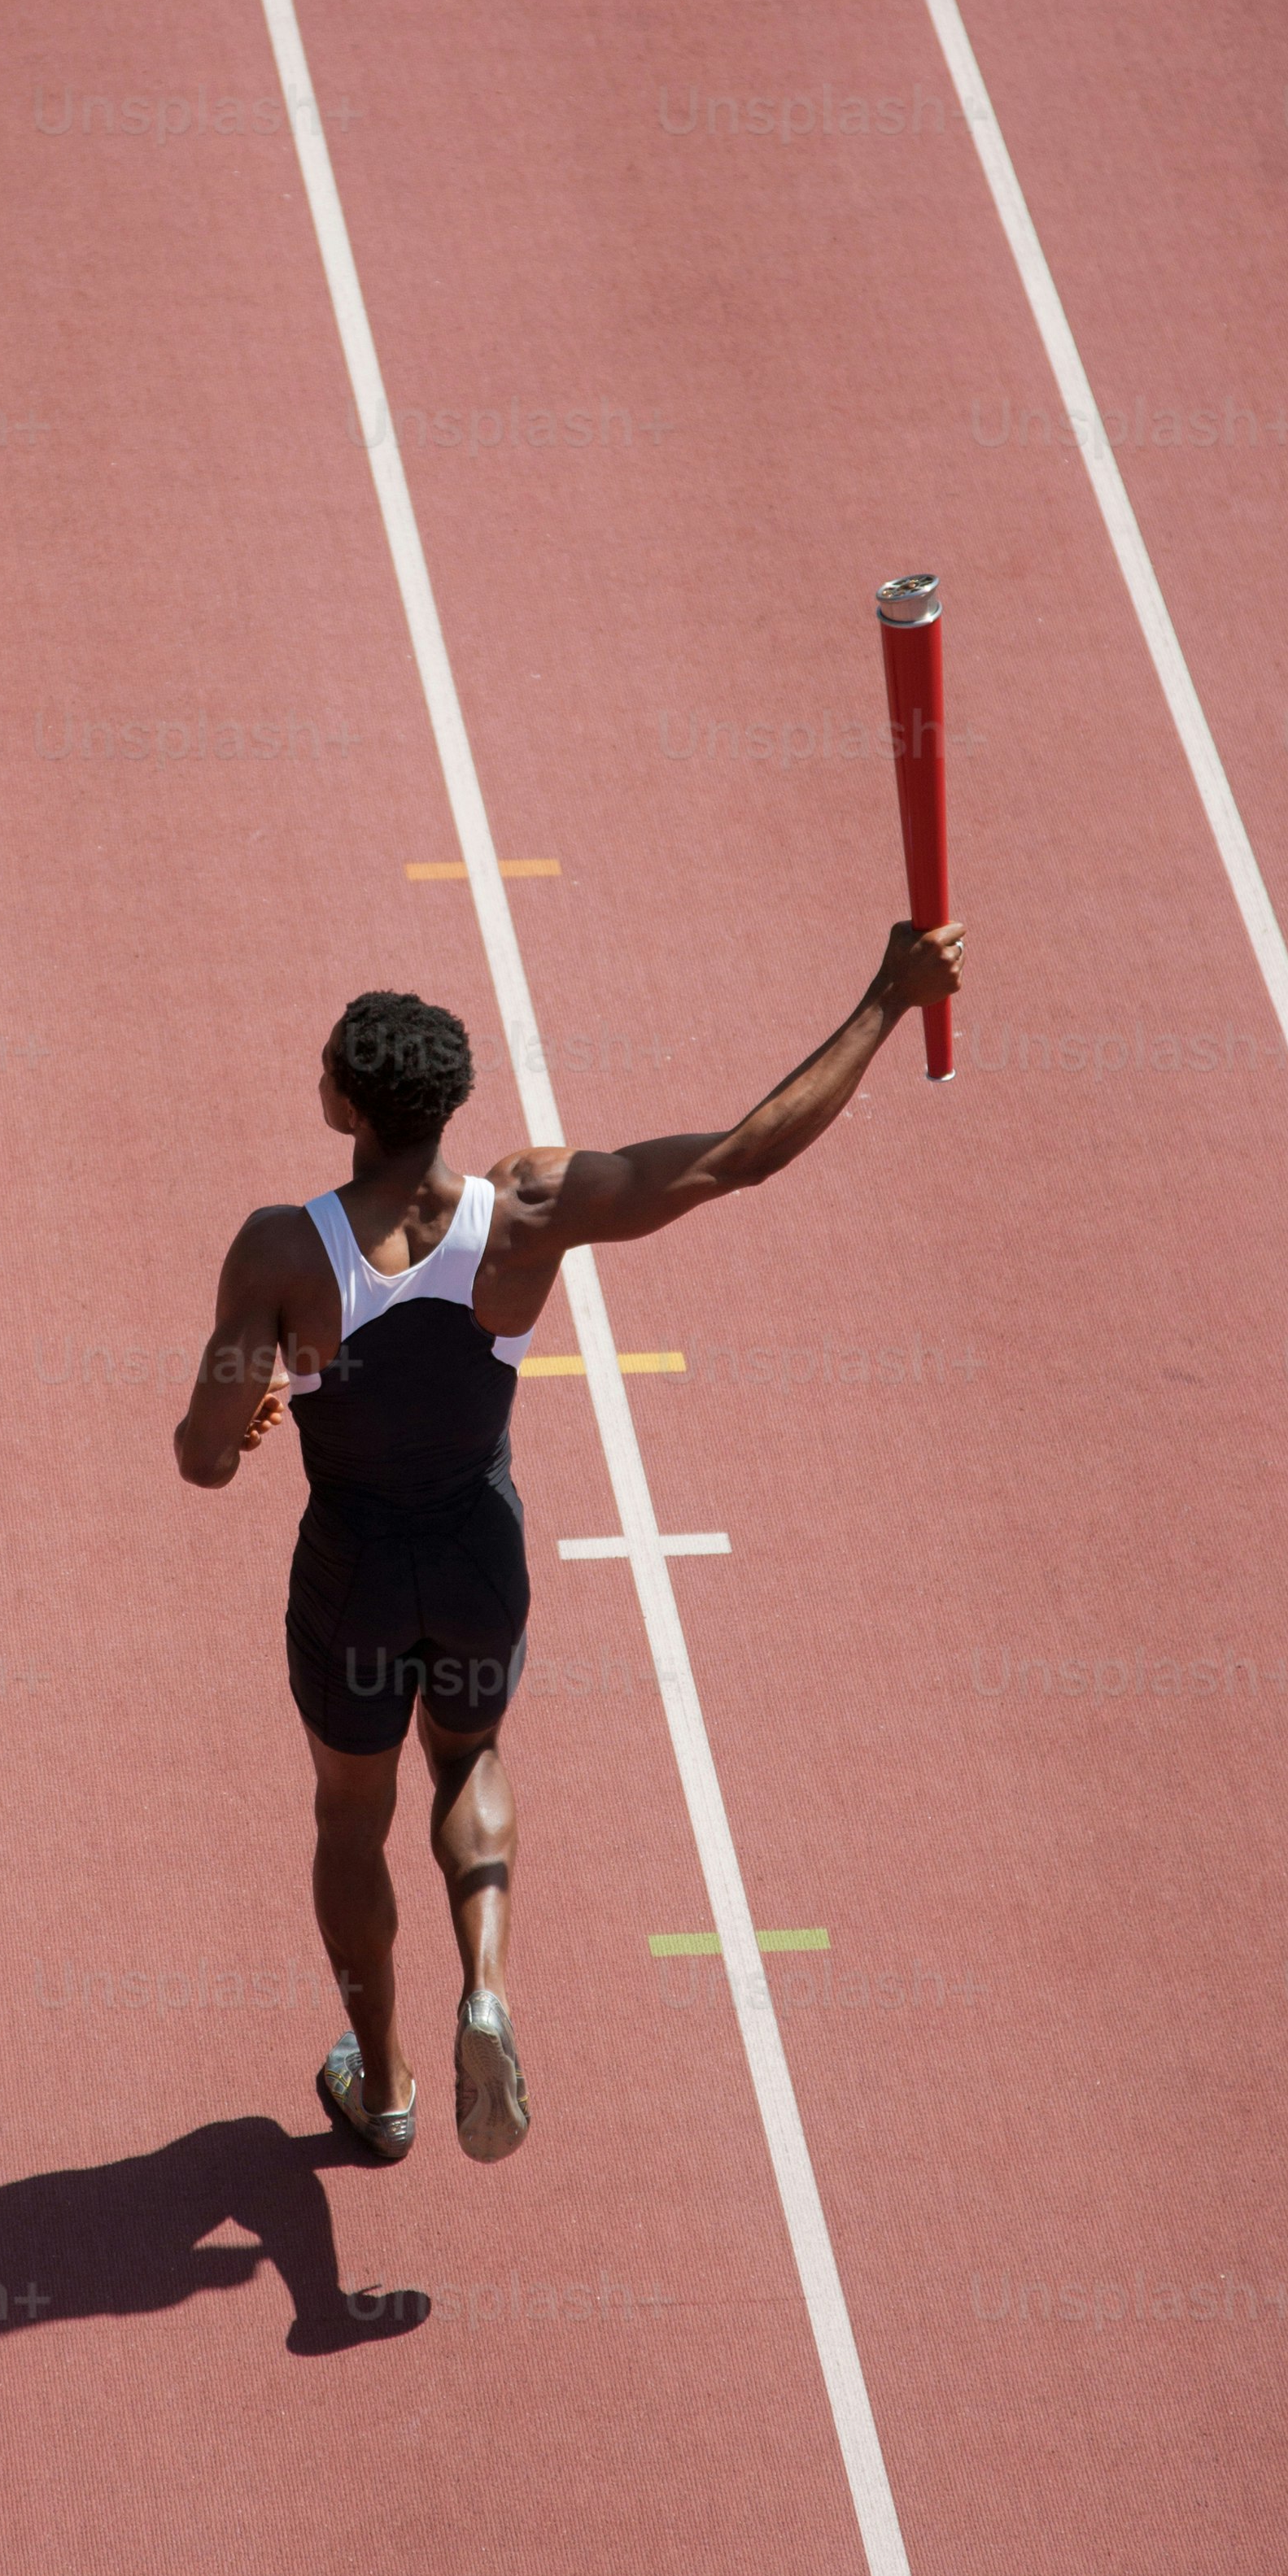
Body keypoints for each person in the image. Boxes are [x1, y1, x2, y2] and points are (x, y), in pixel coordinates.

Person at [172, 913, 965, 2164]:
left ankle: (379, 2084)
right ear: (447, 1103)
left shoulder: (282, 1251)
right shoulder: (532, 1205)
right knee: (469, 1758)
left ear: (346, 1104)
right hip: (479, 1554)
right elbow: (737, 1158)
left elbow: (201, 1457)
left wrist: (257, 1403)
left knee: (349, 1809)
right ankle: (483, 1985)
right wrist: (886, 994)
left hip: (354, 1576)